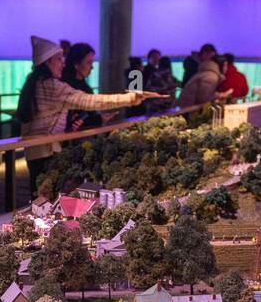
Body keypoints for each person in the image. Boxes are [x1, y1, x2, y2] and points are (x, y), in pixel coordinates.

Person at [17, 36, 159, 195]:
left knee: (39, 193)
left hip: (35, 151)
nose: (62, 63)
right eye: (58, 59)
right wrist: (130, 98)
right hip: (46, 151)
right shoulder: (52, 86)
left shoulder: (34, 82)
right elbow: (90, 101)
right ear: (47, 62)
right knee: (46, 194)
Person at [61, 43, 105, 133]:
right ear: (76, 64)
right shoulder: (65, 87)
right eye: (89, 62)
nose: (92, 67)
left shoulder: (85, 87)